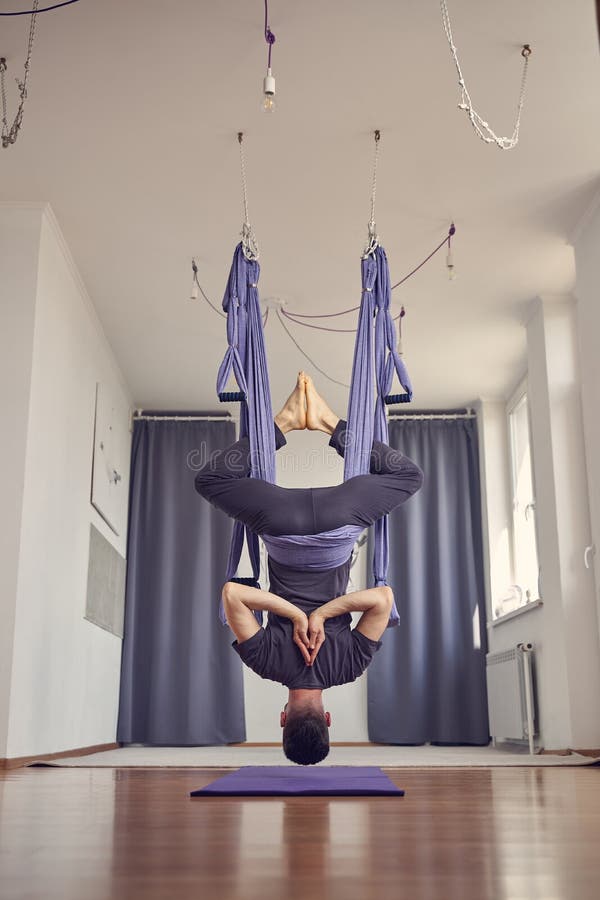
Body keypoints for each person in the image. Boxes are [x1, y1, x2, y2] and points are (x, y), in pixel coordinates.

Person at [194, 373, 423, 764]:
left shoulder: (349, 667)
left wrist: (318, 614)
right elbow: (233, 593)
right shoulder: (265, 662)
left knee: (408, 475)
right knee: (210, 478)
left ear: (328, 719)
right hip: (280, 523)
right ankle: (284, 422)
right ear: (283, 719)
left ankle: (328, 422)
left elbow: (382, 599)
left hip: (340, 520)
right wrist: (301, 614)